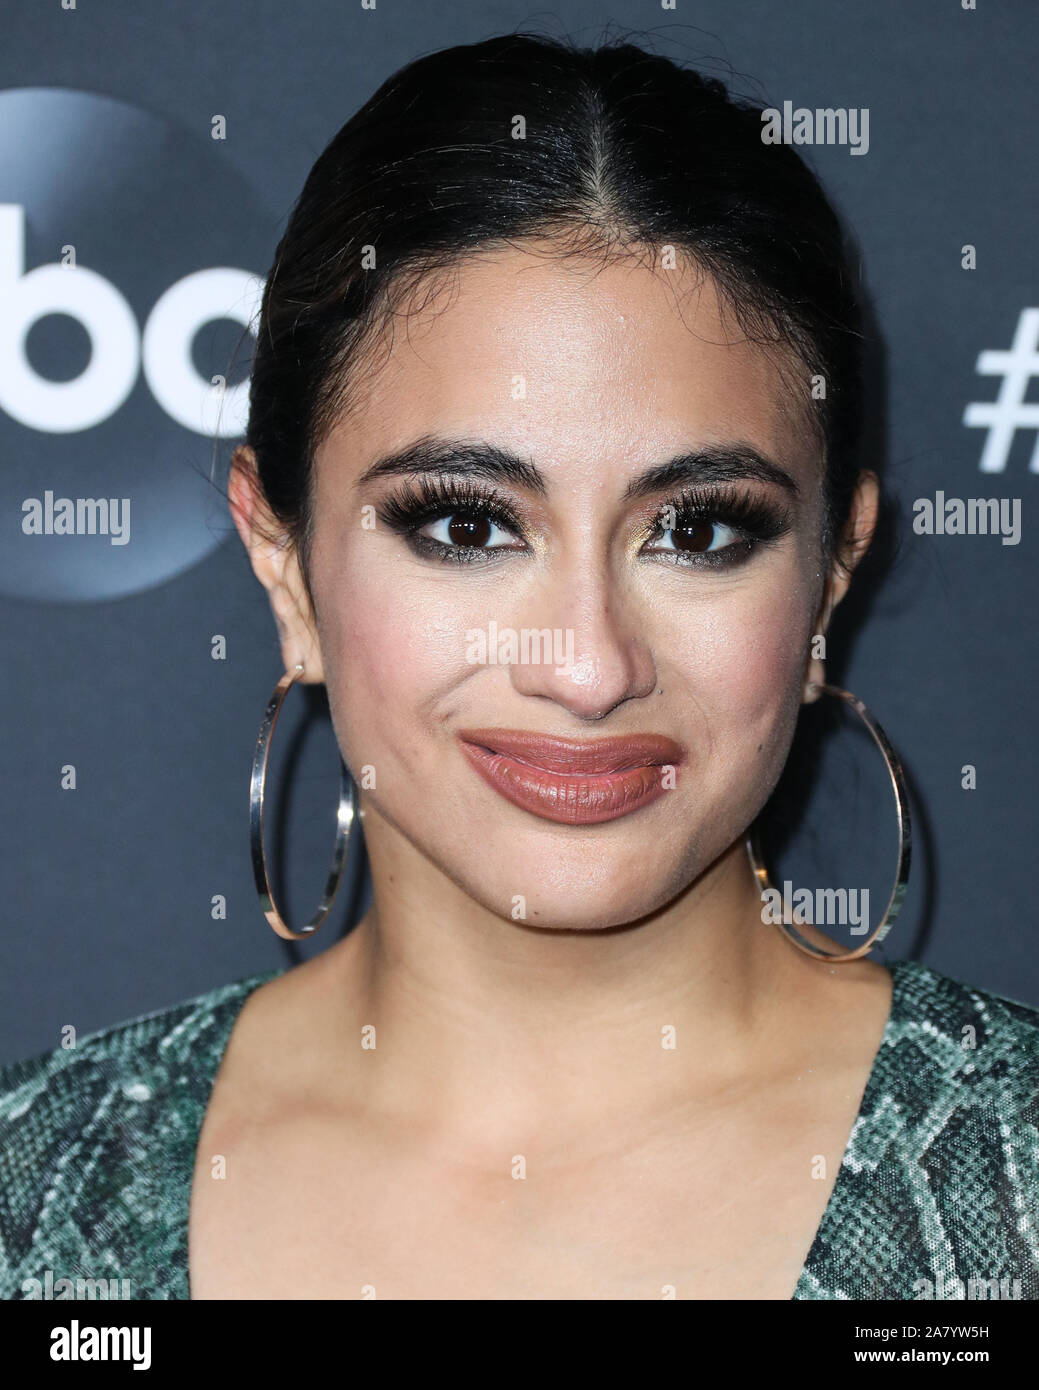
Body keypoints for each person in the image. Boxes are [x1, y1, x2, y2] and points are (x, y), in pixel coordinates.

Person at [2, 32, 1037, 1303]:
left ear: (831, 571)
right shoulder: (34, 1190)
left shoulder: (1017, 1182)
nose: (588, 667)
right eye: (466, 525)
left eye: (700, 530)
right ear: (285, 566)